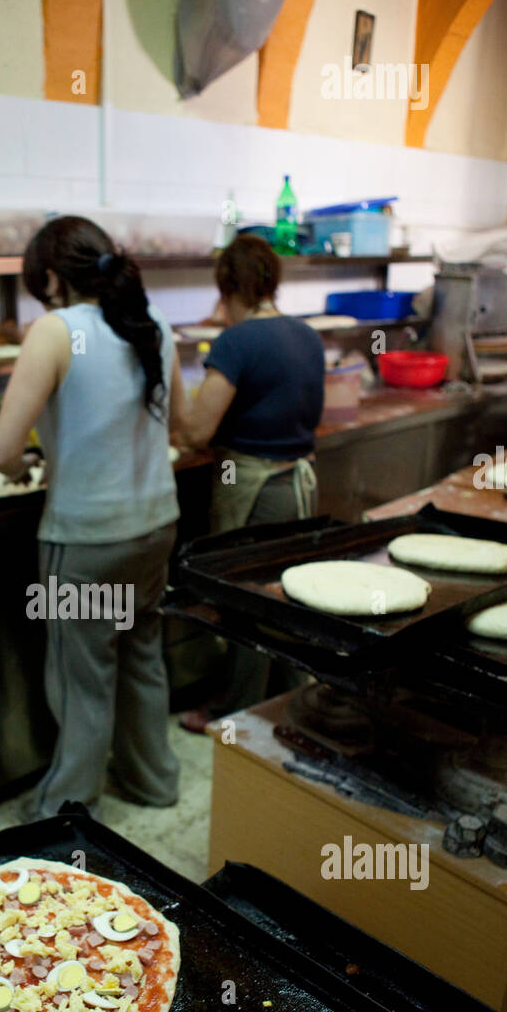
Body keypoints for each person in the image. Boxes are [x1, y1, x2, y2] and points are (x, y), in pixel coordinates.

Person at [0, 215, 184, 820]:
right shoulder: (155, 327)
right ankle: (154, 782)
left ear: (50, 277)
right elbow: (174, 424)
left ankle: (64, 811)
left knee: (81, 675)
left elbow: (0, 451)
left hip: (86, 538)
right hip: (155, 524)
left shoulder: (55, 331)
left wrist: (25, 466)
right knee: (141, 653)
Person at [173, 233, 325, 728]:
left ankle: (233, 713)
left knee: (247, 604)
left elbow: (198, 431)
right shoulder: (305, 335)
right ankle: (286, 702)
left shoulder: (236, 341)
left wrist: (176, 422)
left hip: (258, 489)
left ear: (226, 286)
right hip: (300, 483)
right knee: (287, 600)